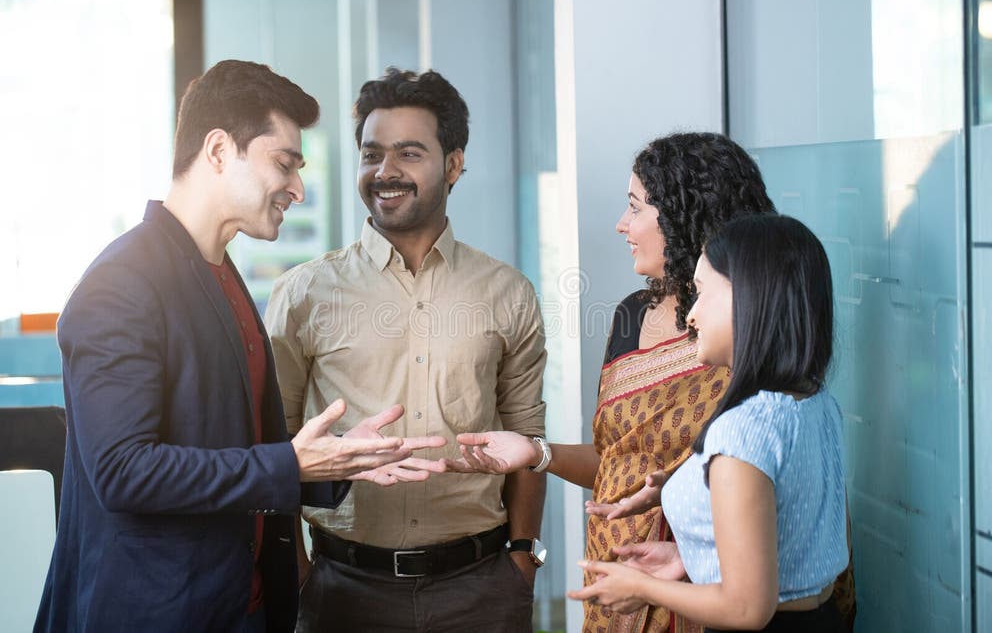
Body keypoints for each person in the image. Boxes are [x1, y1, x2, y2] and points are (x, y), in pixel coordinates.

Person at [34, 60, 445, 633]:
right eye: (284, 164)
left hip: (241, 605)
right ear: (220, 150)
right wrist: (291, 462)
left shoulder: (220, 274)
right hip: (156, 611)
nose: (298, 188)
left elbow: (230, 443)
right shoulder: (121, 284)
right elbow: (123, 471)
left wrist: (337, 459)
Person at [444, 133, 854, 632]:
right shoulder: (632, 317)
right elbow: (617, 462)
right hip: (636, 573)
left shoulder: (752, 369)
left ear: (685, 215)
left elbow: (765, 497)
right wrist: (536, 453)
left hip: (717, 603)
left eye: (636, 207)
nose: (622, 223)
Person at [264, 67, 547, 631]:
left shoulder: (507, 291)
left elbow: (527, 436)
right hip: (341, 590)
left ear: (454, 165)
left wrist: (522, 559)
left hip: (480, 590)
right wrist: (296, 569)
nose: (385, 171)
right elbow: (277, 443)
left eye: (409, 153)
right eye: (372, 154)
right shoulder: (303, 293)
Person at [568, 214, 849, 633]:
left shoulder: (742, 431)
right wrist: (690, 559)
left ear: (750, 300)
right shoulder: (814, 401)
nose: (692, 315)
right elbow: (789, 537)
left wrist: (642, 588)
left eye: (701, 294)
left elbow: (746, 608)